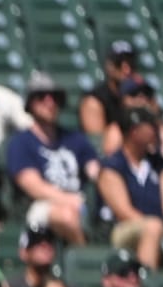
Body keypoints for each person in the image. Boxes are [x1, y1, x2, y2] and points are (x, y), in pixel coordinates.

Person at [6, 71, 98, 246]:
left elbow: (95, 171)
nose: (49, 102)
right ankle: (86, 255)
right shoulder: (20, 142)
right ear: (30, 103)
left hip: (79, 202)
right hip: (40, 206)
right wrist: (71, 200)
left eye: (54, 97)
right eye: (42, 97)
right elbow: (34, 187)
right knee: (67, 216)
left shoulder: (75, 139)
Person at [97, 107, 163, 271]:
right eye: (151, 126)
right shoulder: (112, 166)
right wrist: (159, 228)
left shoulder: (159, 165)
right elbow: (124, 212)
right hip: (122, 229)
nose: (156, 130)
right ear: (134, 131)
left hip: (159, 228)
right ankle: (146, 285)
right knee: (152, 227)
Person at [80, 41, 139, 137]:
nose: (127, 70)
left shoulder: (141, 94)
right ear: (109, 66)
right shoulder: (95, 100)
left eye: (131, 63)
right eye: (119, 63)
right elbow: (98, 144)